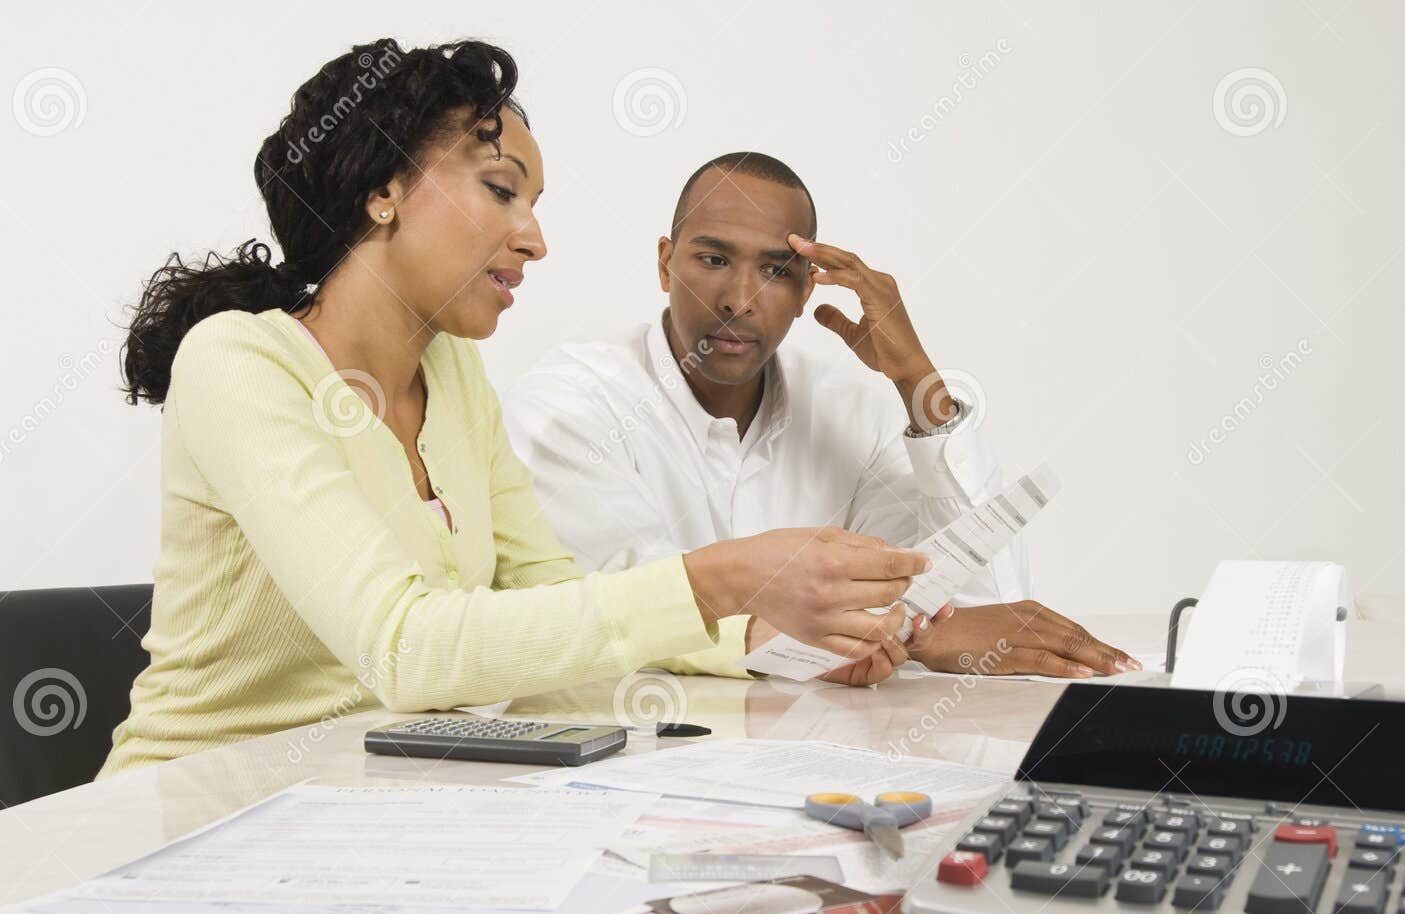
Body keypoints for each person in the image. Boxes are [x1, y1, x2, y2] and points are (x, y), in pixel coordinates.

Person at [100, 42, 928, 778]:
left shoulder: (453, 373)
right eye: (502, 191)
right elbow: (405, 647)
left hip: (363, 804)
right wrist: (724, 575)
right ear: (383, 191)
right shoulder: (239, 363)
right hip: (189, 812)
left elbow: (555, 606)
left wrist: (759, 640)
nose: (534, 239)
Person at [498, 152, 1139, 679]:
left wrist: (917, 378)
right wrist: (901, 637)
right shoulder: (571, 403)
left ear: (808, 290)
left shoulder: (850, 408)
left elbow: (983, 606)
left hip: (827, 769)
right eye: (713, 259)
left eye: (775, 271)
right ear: (666, 263)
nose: (739, 300)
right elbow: (625, 602)